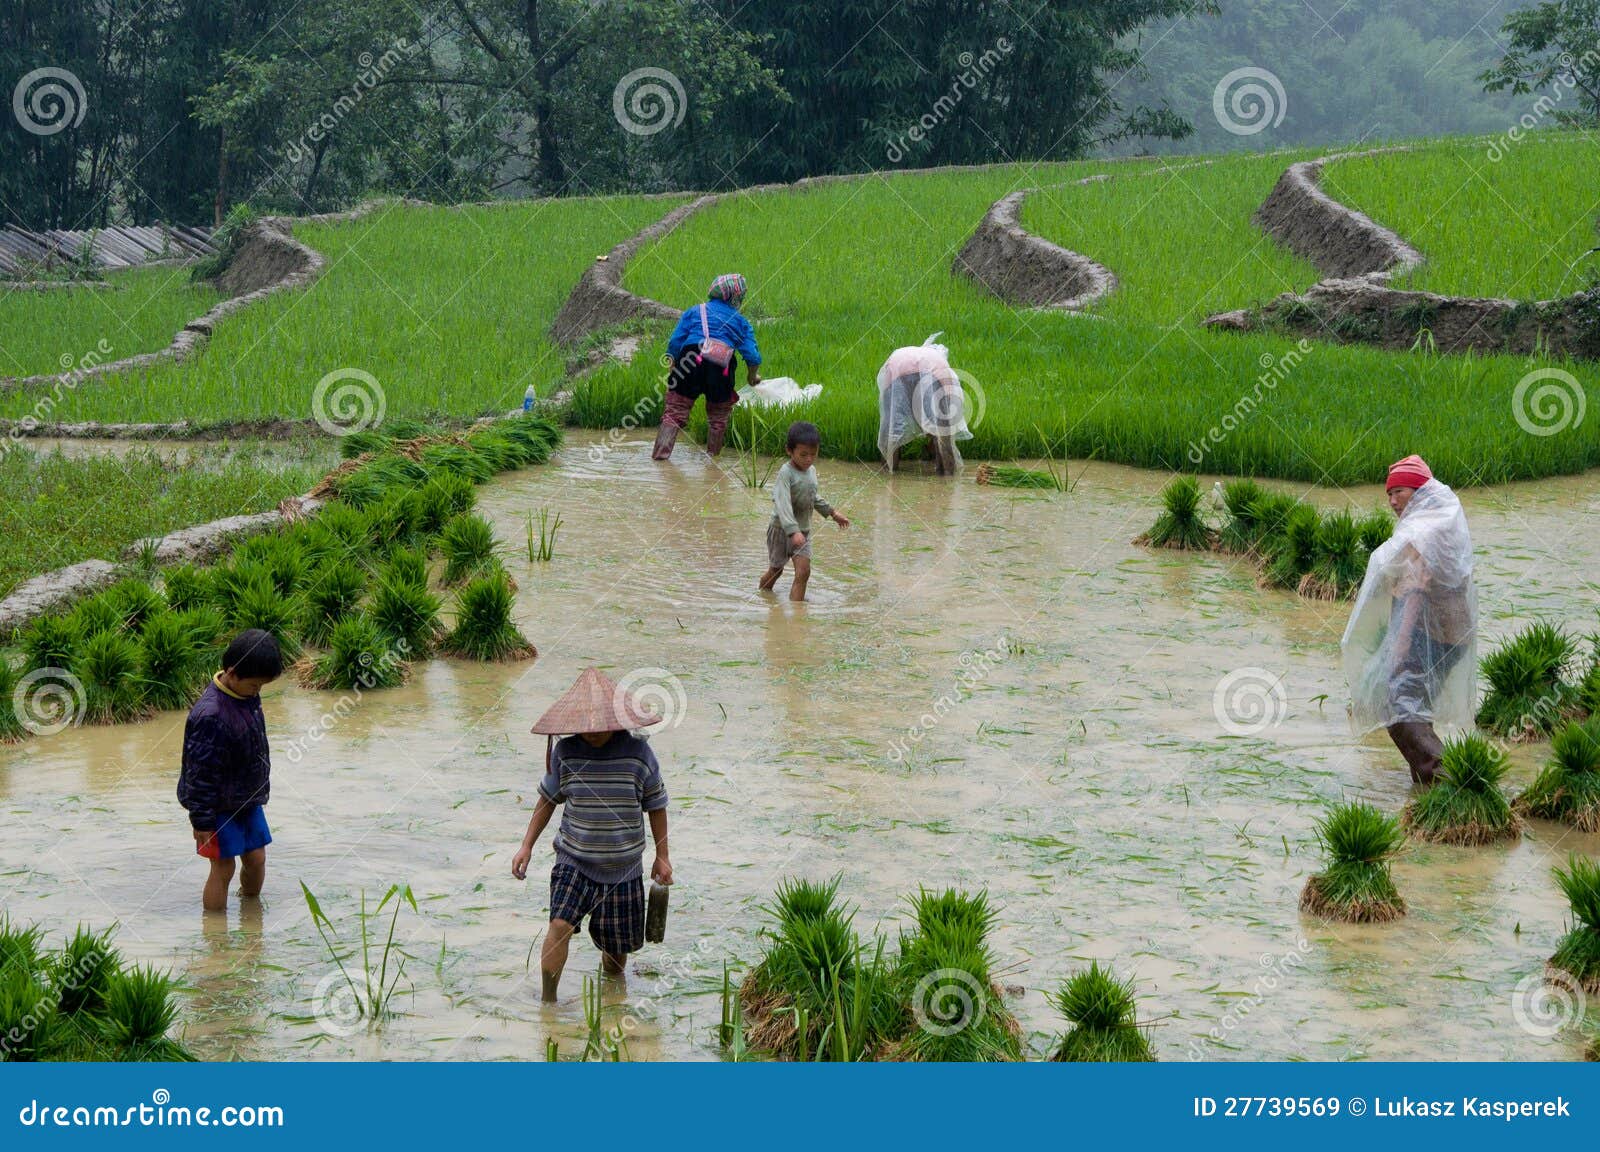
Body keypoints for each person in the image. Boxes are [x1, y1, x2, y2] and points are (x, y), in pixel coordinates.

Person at [511, 668, 672, 1002]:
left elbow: (656, 805)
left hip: (624, 867)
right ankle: (548, 1004)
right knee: (559, 926)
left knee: (615, 956)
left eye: (600, 725)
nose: (594, 732)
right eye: (586, 725)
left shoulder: (639, 754)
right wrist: (526, 846)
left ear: (616, 719)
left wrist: (663, 856)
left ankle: (612, 1003)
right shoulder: (566, 753)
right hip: (574, 859)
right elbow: (547, 801)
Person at [1342, 455, 1477, 784]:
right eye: (1388, 494)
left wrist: (1399, 645)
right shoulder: (1440, 521)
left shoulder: (1424, 532)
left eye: (1397, 492)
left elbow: (1416, 593)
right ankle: (1425, 782)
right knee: (1415, 704)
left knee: (1397, 705)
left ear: (1417, 491)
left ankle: (1443, 778)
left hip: (1431, 633)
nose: (1391, 502)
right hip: (1453, 635)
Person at [177, 629, 283, 912]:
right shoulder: (209, 715)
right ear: (232, 673)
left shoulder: (245, 695)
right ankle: (215, 937)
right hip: (218, 807)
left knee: (257, 858)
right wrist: (202, 820)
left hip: (247, 798)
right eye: (254, 686)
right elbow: (199, 774)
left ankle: (252, 916)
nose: (257, 692)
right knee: (223, 867)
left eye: (261, 687)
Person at [653, 273, 762, 460]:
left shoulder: (695, 311)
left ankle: (660, 459)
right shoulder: (741, 322)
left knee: (674, 412)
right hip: (721, 367)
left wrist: (674, 368)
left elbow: (674, 344)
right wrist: (752, 377)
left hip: (690, 360)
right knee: (718, 417)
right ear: (736, 297)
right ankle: (712, 461)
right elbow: (752, 356)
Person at [759, 421, 850, 602]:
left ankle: (797, 615)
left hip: (804, 532)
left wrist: (832, 513)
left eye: (813, 454)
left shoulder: (811, 471)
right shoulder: (786, 473)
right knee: (776, 570)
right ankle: (762, 594)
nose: (808, 459)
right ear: (789, 451)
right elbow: (782, 503)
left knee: (803, 572)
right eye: (803, 455)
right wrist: (793, 531)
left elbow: (812, 496)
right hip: (781, 531)